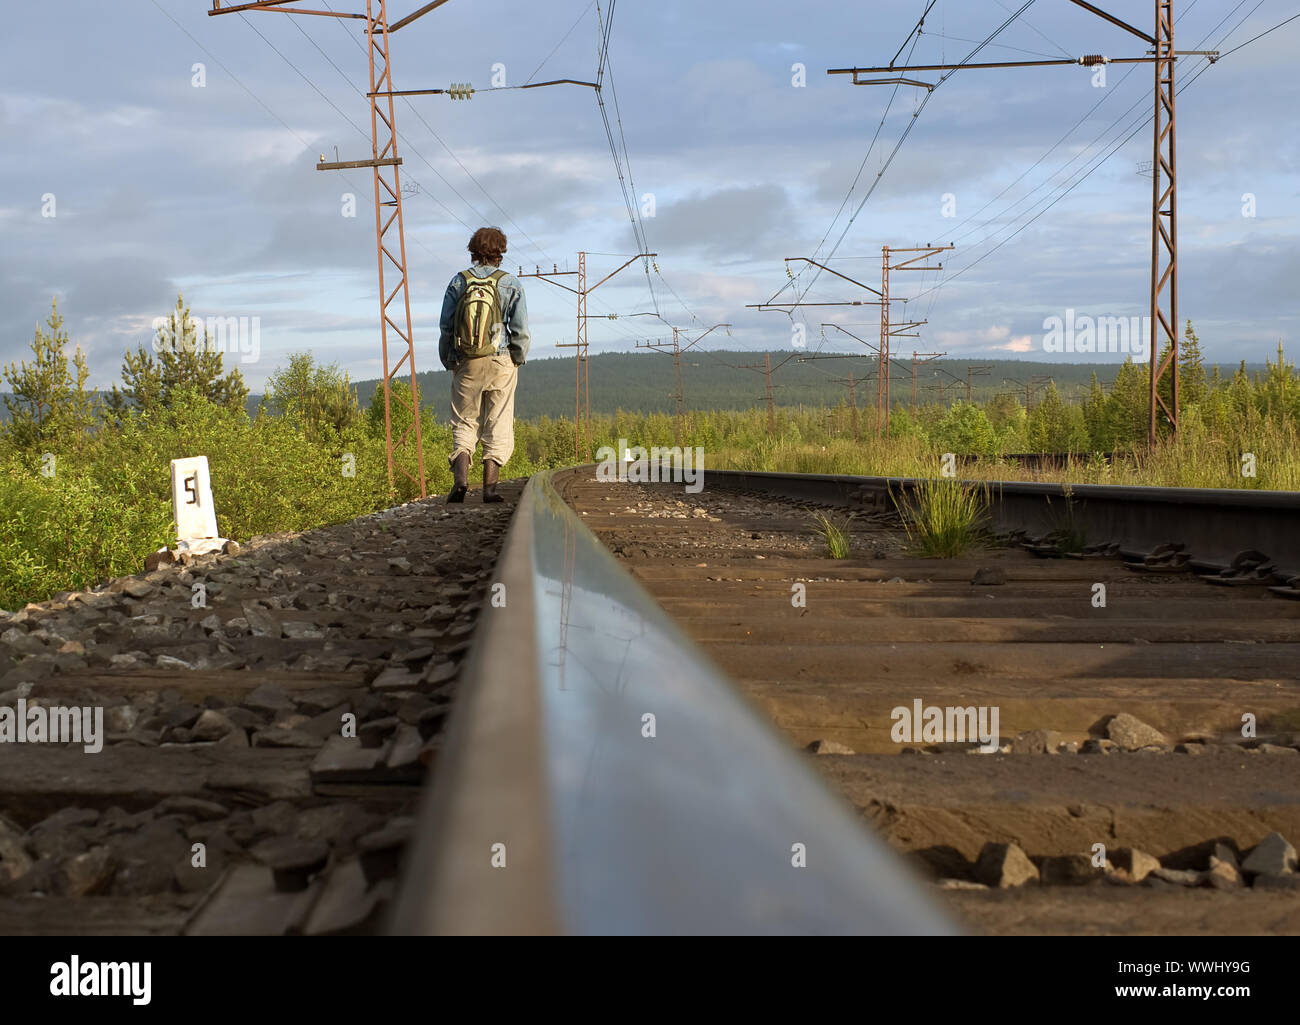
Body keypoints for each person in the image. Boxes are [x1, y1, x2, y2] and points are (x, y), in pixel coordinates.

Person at [438, 227, 531, 503]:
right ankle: (489, 489)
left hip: (468, 362)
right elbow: (521, 329)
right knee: (498, 422)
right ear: (500, 252)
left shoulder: (459, 282)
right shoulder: (511, 283)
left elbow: (445, 325)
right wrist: (517, 357)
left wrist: (449, 358)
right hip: (501, 360)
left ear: (473, 251)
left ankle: (461, 481)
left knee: (465, 420)